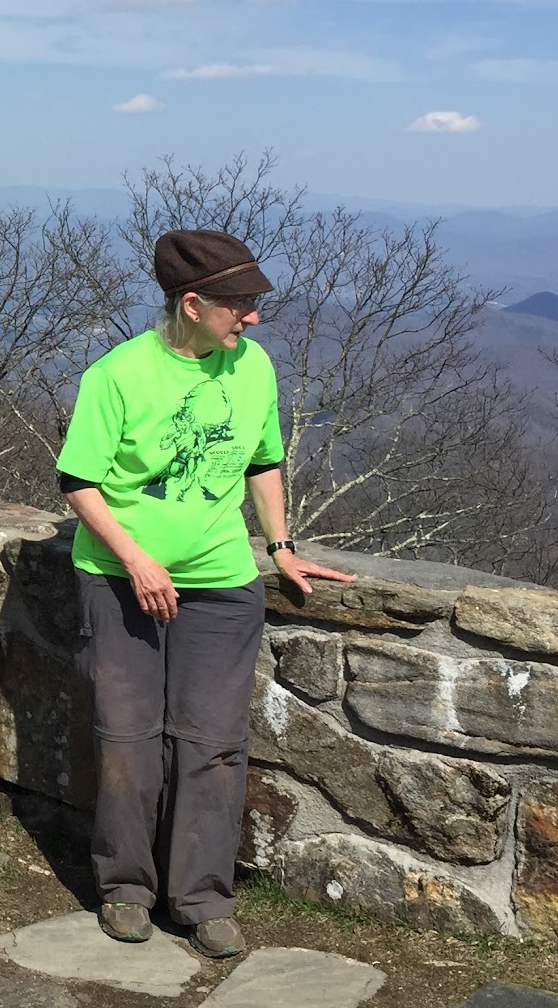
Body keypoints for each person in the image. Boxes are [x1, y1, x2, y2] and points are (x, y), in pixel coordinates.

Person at [56, 228, 352, 959]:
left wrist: (281, 548)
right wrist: (137, 561)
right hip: (120, 582)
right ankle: (126, 889)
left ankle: (203, 899)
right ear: (192, 305)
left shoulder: (253, 366)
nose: (252, 316)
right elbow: (78, 482)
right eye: (238, 304)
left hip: (221, 585)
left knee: (213, 744)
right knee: (127, 739)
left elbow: (263, 461)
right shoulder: (119, 374)